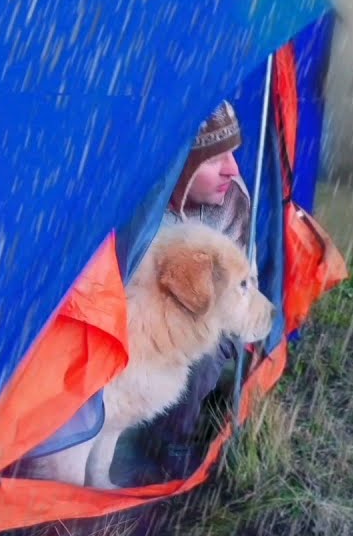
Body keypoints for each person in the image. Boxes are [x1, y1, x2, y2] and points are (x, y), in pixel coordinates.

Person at [114, 100, 256, 485]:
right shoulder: (144, 210)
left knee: (202, 354)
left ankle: (170, 440)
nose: (233, 169)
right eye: (215, 160)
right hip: (143, 315)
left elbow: (241, 291)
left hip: (209, 316)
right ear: (181, 165)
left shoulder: (232, 200)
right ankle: (108, 431)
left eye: (233, 154)